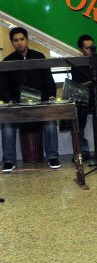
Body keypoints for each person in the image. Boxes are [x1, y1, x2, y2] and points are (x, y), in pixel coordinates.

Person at [0, 27, 61, 172]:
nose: (19, 43)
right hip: (17, 105)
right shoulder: (7, 61)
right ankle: (9, 161)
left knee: (50, 120)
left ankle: (52, 157)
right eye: (16, 40)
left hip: (40, 103)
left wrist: (50, 98)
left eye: (22, 39)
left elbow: (49, 81)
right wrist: (10, 101)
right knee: (7, 123)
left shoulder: (39, 56)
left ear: (27, 40)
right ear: (12, 42)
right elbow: (2, 87)